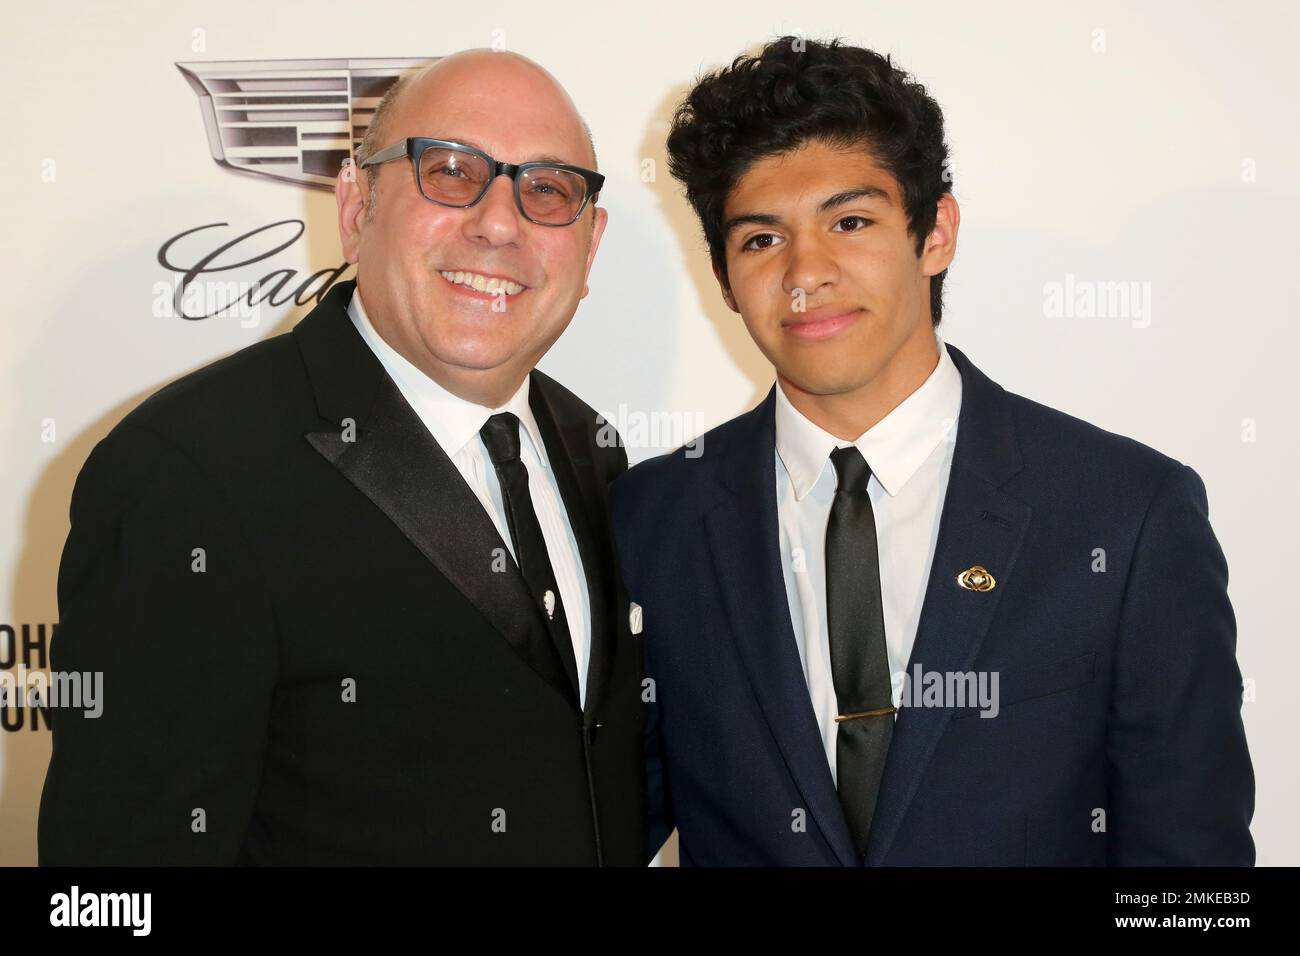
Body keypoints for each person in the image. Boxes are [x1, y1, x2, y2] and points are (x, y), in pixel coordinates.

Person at [610, 36, 1254, 865]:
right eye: (762, 240)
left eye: (850, 222)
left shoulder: (1125, 515)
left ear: (935, 233)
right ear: (726, 279)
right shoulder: (654, 517)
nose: (807, 272)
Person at [39, 49, 646, 865]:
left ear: (591, 241)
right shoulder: (187, 471)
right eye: (451, 171)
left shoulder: (596, 451)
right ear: (357, 208)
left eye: (547, 189)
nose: (499, 223)